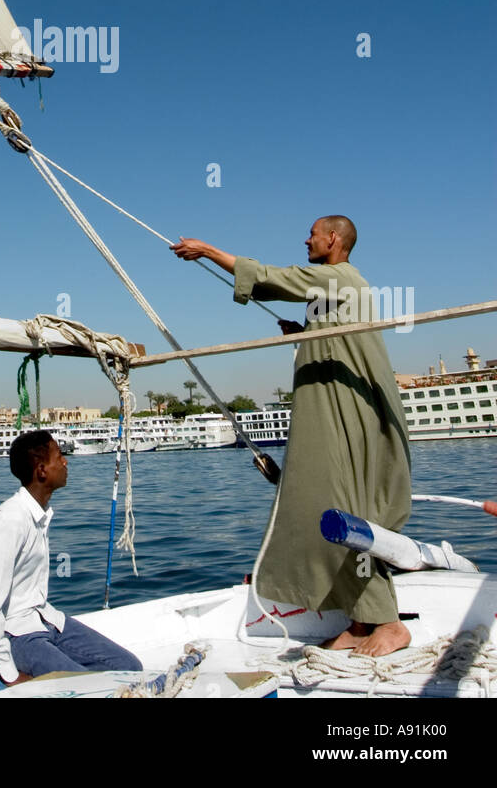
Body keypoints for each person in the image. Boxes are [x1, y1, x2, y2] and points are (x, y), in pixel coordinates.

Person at [171, 216, 412, 657]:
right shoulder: (333, 292)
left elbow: (273, 278)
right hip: (327, 413)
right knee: (326, 504)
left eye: (313, 233)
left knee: (350, 506)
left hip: (346, 416)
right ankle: (359, 622)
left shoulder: (341, 279)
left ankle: (389, 624)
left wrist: (208, 252)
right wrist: (305, 336)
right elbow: (339, 344)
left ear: (333, 239)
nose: (306, 239)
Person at [0, 430, 142, 684]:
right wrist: (9, 674)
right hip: (14, 634)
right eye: (59, 456)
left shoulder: (38, 515)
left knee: (129, 667)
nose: (66, 462)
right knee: (86, 686)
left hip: (45, 620)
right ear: (42, 470)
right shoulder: (10, 522)